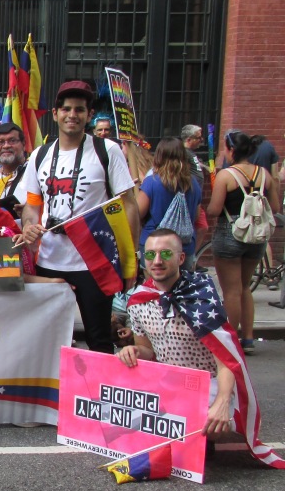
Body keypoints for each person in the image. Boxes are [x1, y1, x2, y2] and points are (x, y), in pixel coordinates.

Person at [117, 229, 285, 469]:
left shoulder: (201, 294)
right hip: (168, 381)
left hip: (207, 382)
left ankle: (203, 432)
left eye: (166, 253)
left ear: (181, 258)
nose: (157, 261)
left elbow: (226, 359)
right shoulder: (138, 300)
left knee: (208, 430)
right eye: (150, 254)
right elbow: (146, 350)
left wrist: (222, 402)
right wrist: (132, 351)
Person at [18, 80, 140, 354]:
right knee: (49, 339)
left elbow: (129, 204)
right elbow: (31, 205)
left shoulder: (106, 150)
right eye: (67, 109)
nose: (72, 115)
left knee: (98, 337)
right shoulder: (40, 155)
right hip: (49, 261)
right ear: (56, 113)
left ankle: (97, 395)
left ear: (88, 115)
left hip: (93, 260)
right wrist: (28, 226)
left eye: (80, 110)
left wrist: (130, 258)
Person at [206, 130, 280, 355]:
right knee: (245, 287)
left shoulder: (226, 176)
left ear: (231, 150)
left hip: (230, 233)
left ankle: (231, 340)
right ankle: (248, 338)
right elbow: (275, 207)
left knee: (231, 290)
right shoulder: (264, 174)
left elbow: (215, 209)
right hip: (256, 236)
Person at [137, 138, 202, 270]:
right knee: (181, 289)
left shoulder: (152, 182)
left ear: (159, 156)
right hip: (184, 248)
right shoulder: (193, 183)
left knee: (155, 288)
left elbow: (138, 212)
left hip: (154, 246)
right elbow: (196, 215)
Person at [0, 123, 29, 222]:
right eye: (0, 142)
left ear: (23, 144)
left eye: (12, 141)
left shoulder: (35, 172)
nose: (6, 146)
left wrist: (30, 211)